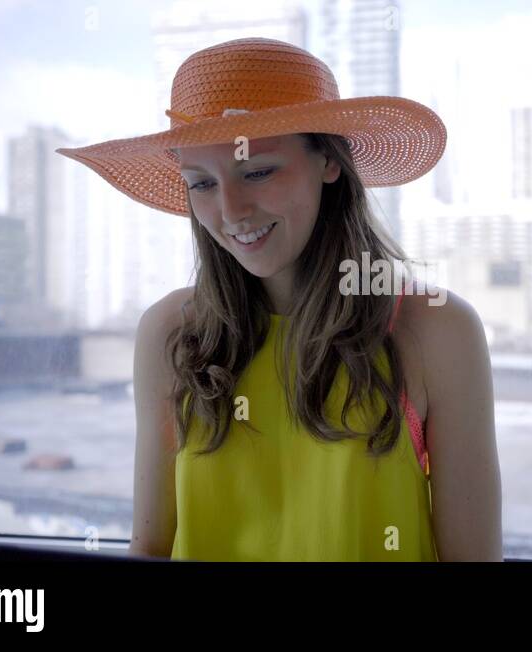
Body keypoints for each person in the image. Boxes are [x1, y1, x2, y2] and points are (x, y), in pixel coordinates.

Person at [56, 37, 501, 561]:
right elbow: (151, 548)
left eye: (258, 171)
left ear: (329, 162)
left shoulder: (437, 331)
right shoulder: (170, 334)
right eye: (200, 183)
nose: (231, 210)